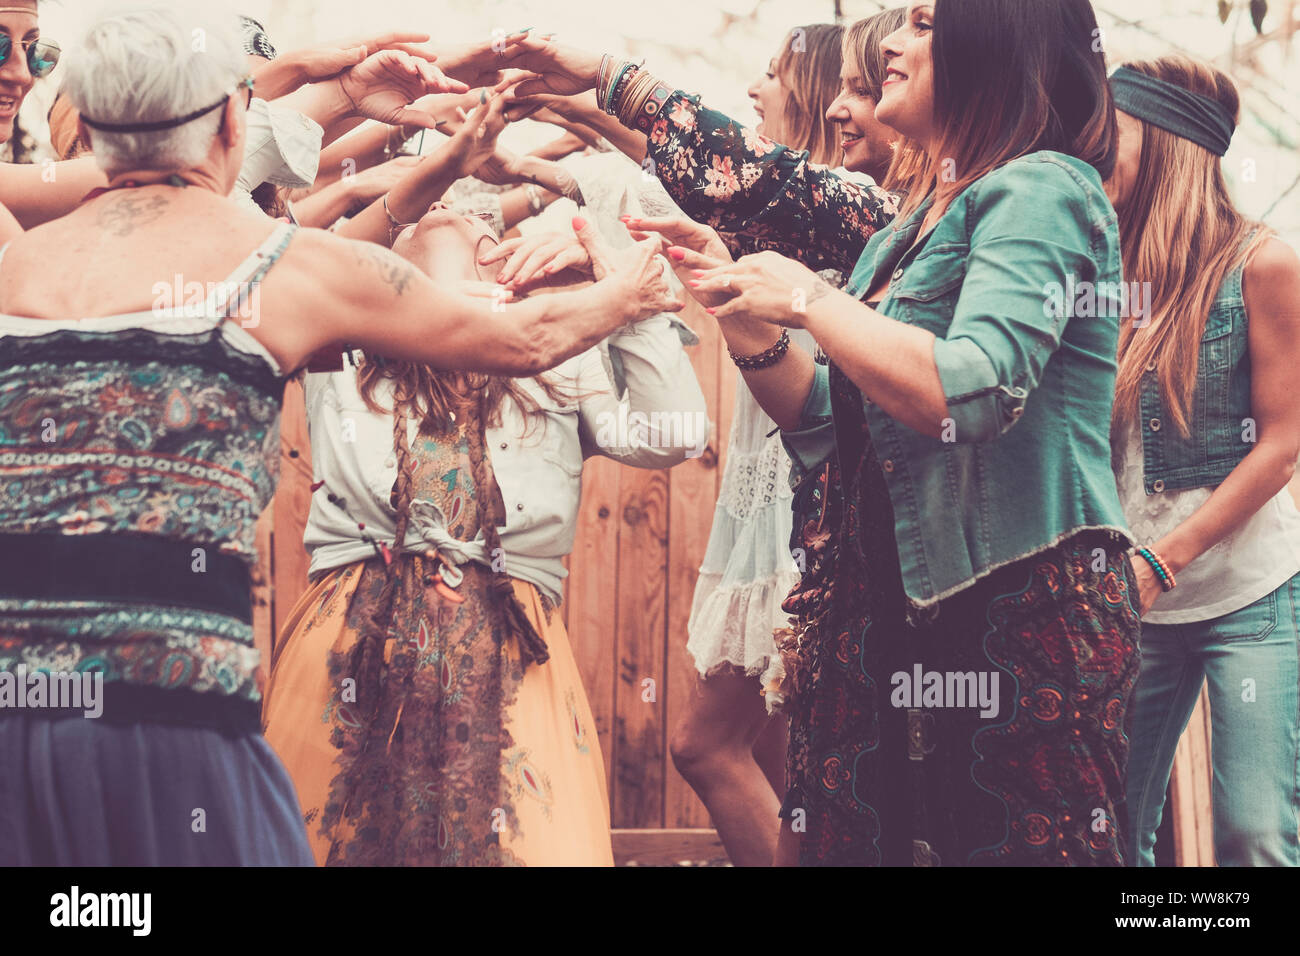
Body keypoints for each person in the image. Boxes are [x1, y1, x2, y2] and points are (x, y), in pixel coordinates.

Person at [0, 2, 677, 866]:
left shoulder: (16, 255)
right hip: (170, 716)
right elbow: (523, 340)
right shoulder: (282, 265)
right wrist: (634, 290)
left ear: (86, 124)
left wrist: (336, 95)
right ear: (232, 124)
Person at [513, 0, 1141, 866]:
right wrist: (733, 300)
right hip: (880, 617)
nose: (890, 41)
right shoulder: (903, 235)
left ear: (1003, 35)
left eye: (923, 23)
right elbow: (826, 425)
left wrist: (810, 297)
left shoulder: (1042, 188)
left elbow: (979, 387)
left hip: (1012, 620)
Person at [263, 202, 706, 866]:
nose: (447, 205)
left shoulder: (560, 359)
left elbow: (675, 436)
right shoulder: (343, 341)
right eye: (426, 208)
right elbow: (253, 256)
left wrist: (623, 299)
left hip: (510, 657)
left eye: (475, 215)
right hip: (349, 649)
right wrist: (387, 196)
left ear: (505, 260)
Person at [1104, 56, 1300, 867]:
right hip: (1133, 601)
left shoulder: (1265, 265)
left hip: (1250, 597)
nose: (1088, 151)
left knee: (1252, 834)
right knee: (1110, 831)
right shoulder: (1097, 272)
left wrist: (1165, 557)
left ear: (1163, 145)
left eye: (1107, 134)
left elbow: (1285, 443)